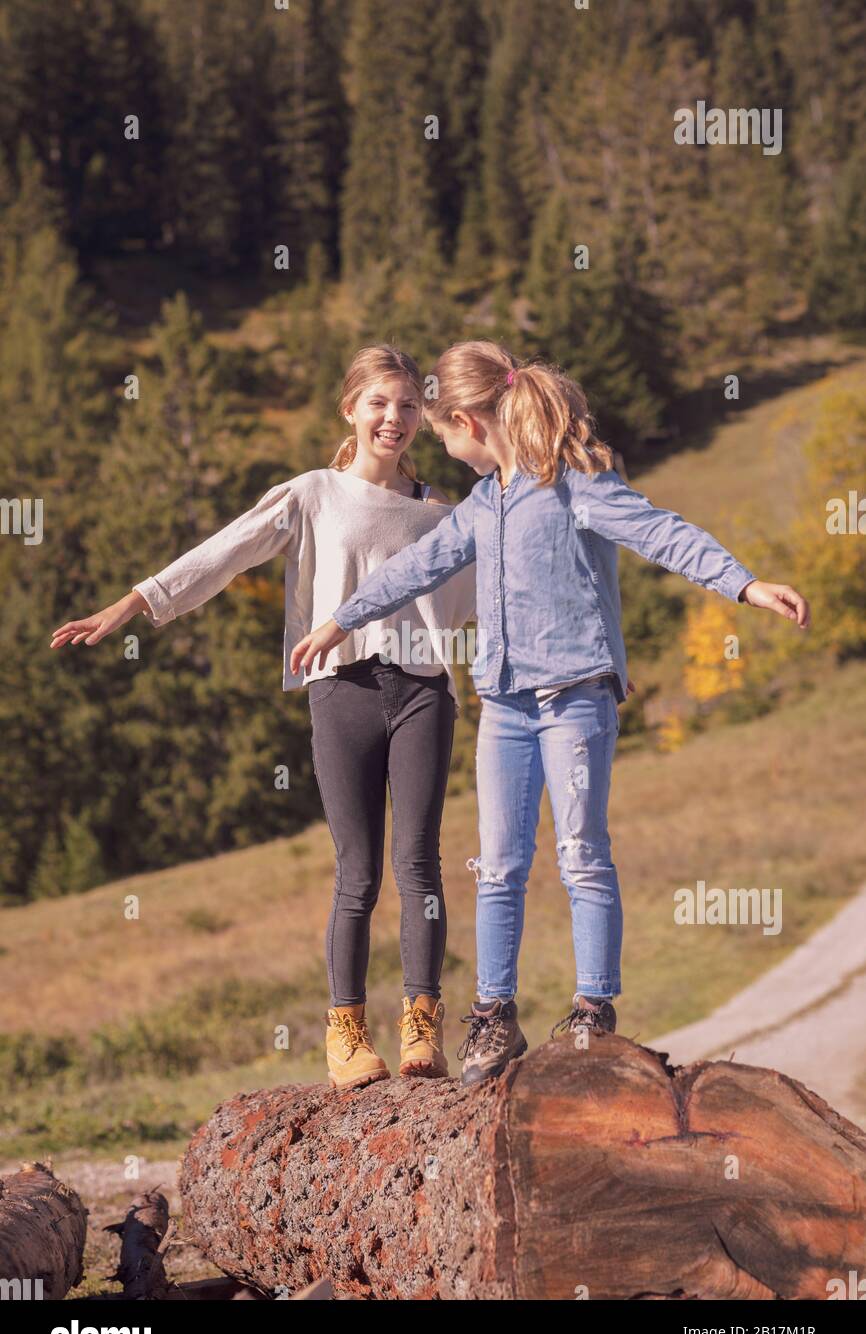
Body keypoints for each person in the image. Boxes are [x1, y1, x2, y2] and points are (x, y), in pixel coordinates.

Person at [290, 339, 811, 1085]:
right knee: (497, 864)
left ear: (470, 421)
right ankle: (494, 1017)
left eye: (442, 431)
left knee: (580, 854)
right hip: (504, 704)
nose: (440, 444)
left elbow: (662, 532)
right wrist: (343, 619)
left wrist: (745, 585)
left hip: (576, 696)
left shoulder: (577, 484)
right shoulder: (481, 504)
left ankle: (594, 1010)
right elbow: (414, 569)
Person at [49, 346, 476, 1090]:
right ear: (350, 409)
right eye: (380, 403)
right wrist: (135, 602)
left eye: (409, 406)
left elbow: (484, 598)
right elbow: (226, 552)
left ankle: (421, 1023)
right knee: (359, 871)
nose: (395, 419)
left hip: (422, 695)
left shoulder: (443, 513)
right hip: (340, 692)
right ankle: (346, 1030)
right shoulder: (314, 494)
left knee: (419, 863)